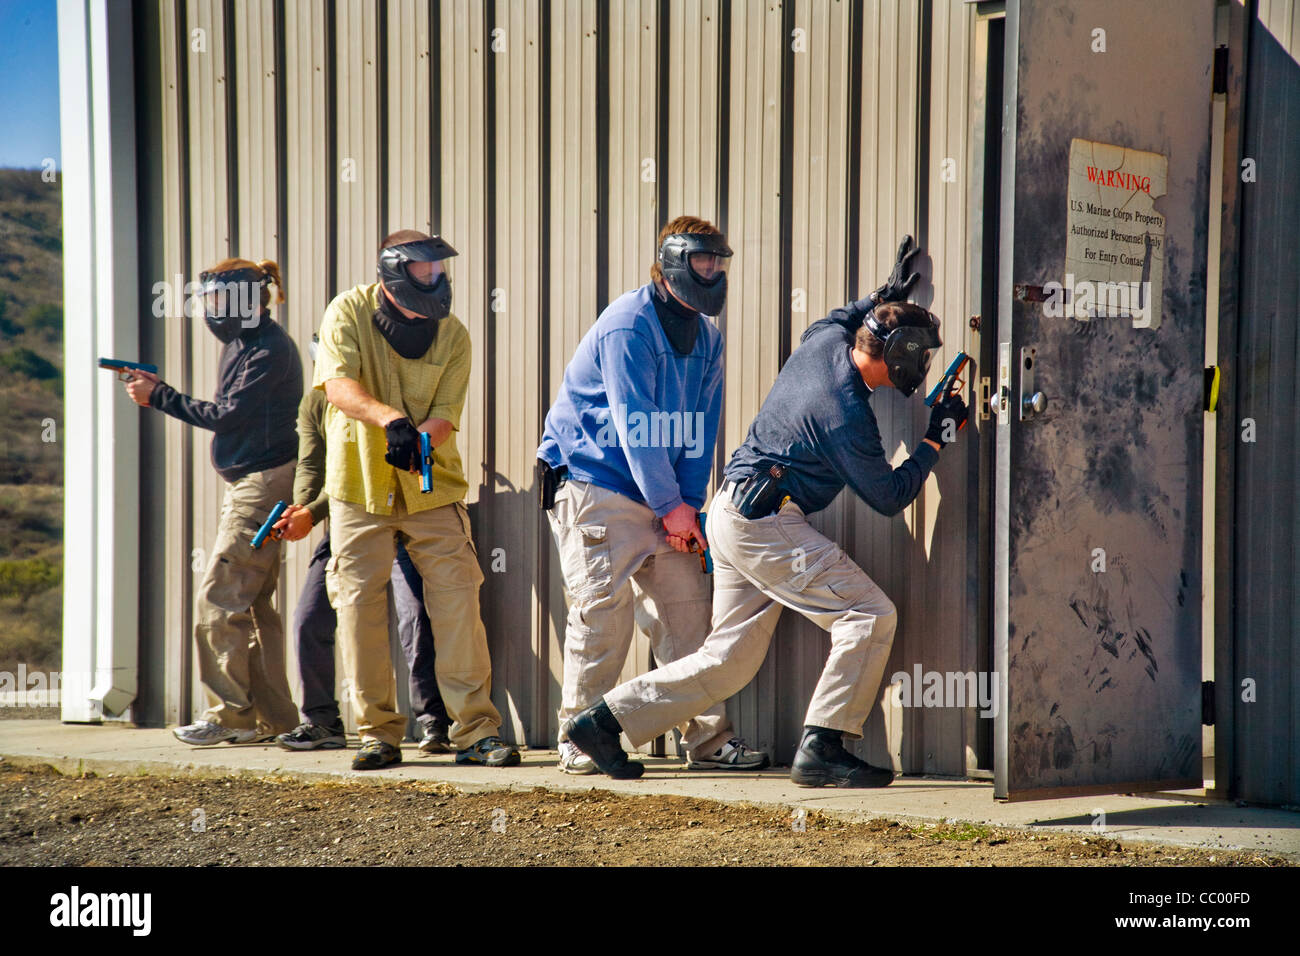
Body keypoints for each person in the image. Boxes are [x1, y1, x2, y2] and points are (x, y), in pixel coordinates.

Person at [564, 237, 970, 786]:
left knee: (728, 661)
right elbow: (891, 496)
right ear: (896, 358)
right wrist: (936, 439)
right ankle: (824, 746)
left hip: (736, 514)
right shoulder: (844, 414)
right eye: (920, 355)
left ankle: (601, 722)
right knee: (870, 615)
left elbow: (844, 315)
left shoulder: (827, 339)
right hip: (765, 525)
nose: (923, 365)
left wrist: (884, 295)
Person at [536, 215, 767, 777]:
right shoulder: (628, 325)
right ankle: (577, 737)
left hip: (663, 497)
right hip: (596, 485)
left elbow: (699, 426)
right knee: (601, 615)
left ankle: (709, 740)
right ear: (670, 264)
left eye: (719, 262)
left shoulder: (707, 338)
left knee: (687, 614)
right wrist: (671, 506)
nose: (712, 271)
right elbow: (633, 420)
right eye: (702, 261)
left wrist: (686, 509)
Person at [312, 229, 519, 770]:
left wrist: (419, 439)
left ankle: (476, 733)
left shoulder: (454, 335)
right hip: (358, 486)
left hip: (431, 487)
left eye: (438, 273)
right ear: (393, 276)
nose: (435, 281)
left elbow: (448, 413)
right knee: (359, 608)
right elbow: (337, 385)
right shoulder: (347, 312)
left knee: (457, 605)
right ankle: (377, 734)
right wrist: (391, 421)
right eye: (424, 274)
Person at [122, 258, 302, 745]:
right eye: (207, 300)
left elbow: (226, 415)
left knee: (220, 595)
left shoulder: (268, 349)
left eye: (220, 299)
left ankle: (229, 718)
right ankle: (274, 722)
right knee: (254, 603)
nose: (211, 310)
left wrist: (159, 396)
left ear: (247, 300)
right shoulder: (244, 345)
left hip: (262, 484)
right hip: (256, 481)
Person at [272, 336, 452, 754]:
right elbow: (312, 463)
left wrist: (311, 513)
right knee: (309, 617)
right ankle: (321, 721)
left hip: (403, 516)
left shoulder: (391, 402)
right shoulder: (315, 403)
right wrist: (300, 507)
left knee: (415, 620)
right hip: (346, 521)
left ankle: (435, 724)